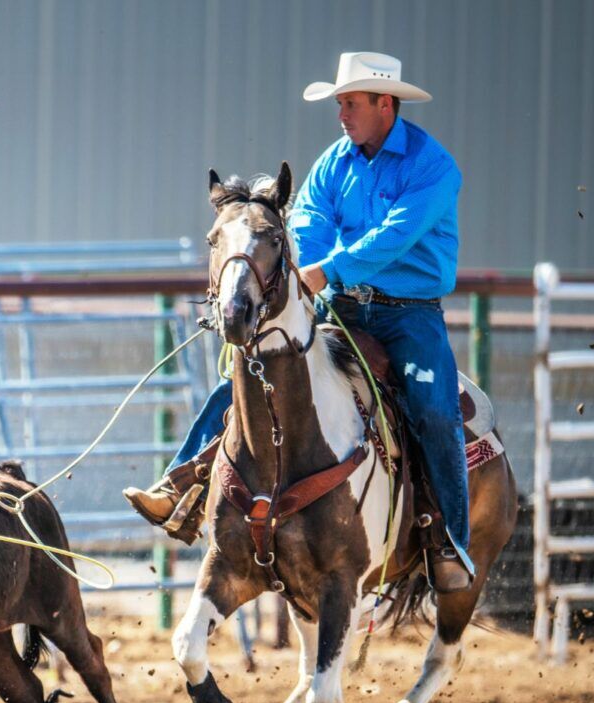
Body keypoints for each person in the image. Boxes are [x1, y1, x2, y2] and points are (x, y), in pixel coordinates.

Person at [123, 52, 473, 593]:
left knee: (433, 409)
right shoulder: (336, 161)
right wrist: (295, 269)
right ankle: (182, 480)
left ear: (385, 104)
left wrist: (324, 270)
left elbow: (396, 236)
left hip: (409, 315)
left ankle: (449, 539)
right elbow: (308, 216)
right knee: (255, 372)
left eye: (350, 102)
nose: (341, 113)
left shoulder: (432, 167)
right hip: (340, 305)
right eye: (339, 102)